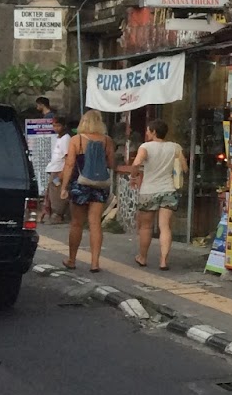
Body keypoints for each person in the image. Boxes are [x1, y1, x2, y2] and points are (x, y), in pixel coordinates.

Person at [124, 119, 186, 270]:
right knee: (165, 227)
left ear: (153, 132)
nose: (146, 132)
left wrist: (133, 177)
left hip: (149, 191)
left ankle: (143, 257)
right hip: (168, 189)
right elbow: (184, 168)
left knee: (146, 227)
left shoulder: (145, 147)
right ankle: (163, 261)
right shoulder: (175, 147)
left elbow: (136, 163)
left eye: (148, 130)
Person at [62, 110, 116, 273]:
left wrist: (64, 187)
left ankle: (72, 260)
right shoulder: (107, 141)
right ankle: (95, 262)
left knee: (77, 223)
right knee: (95, 223)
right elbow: (111, 163)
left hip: (80, 184)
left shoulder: (76, 140)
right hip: (100, 185)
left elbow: (70, 164)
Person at [40, 115, 71, 223]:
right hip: (54, 169)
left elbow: (68, 157)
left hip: (59, 171)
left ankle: (58, 214)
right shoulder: (59, 138)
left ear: (63, 126)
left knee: (57, 193)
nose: (56, 128)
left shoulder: (66, 138)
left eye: (58, 126)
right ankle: (50, 213)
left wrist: (63, 172)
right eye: (54, 126)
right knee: (51, 192)